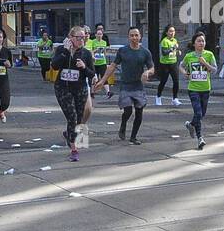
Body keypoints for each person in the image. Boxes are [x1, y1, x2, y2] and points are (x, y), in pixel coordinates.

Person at [94, 26, 153, 144]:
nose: (134, 38)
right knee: (128, 111)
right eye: (132, 35)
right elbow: (113, 66)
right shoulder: (123, 51)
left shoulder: (145, 52)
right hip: (126, 85)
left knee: (139, 111)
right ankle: (123, 123)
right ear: (128, 37)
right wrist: (102, 81)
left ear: (140, 36)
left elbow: (152, 67)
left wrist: (148, 72)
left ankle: (133, 137)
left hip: (138, 86)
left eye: (136, 35)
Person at [50, 26, 96, 161]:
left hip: (80, 88)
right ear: (71, 38)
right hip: (63, 88)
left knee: (79, 118)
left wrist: (84, 67)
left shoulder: (86, 53)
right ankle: (74, 149)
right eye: (78, 37)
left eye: (83, 37)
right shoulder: (62, 50)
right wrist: (65, 52)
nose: (81, 40)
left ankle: (71, 136)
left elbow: (92, 73)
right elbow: (54, 65)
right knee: (72, 116)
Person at [181, 31, 218, 150]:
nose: (201, 43)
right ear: (194, 43)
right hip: (193, 89)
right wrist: (185, 73)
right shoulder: (189, 56)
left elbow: (215, 70)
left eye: (203, 41)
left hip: (205, 89)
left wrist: (205, 63)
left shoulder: (209, 54)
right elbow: (181, 65)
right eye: (199, 41)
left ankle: (190, 124)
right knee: (198, 113)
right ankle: (200, 138)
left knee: (202, 114)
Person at [155, 25, 182, 105]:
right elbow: (164, 53)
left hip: (173, 63)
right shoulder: (164, 41)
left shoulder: (175, 40)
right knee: (163, 81)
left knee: (176, 81)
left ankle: (175, 98)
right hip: (165, 64)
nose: (172, 33)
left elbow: (175, 51)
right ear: (166, 32)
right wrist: (173, 48)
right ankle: (158, 97)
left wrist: (177, 52)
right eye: (170, 31)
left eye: (173, 31)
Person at [87, 24, 112, 99]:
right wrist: (95, 51)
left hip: (102, 62)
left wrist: (105, 58)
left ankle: (108, 92)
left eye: (100, 34)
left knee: (104, 77)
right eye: (98, 34)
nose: (99, 35)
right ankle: (92, 92)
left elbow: (104, 52)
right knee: (94, 78)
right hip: (94, 62)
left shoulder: (104, 42)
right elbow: (91, 51)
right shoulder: (93, 42)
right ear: (95, 35)